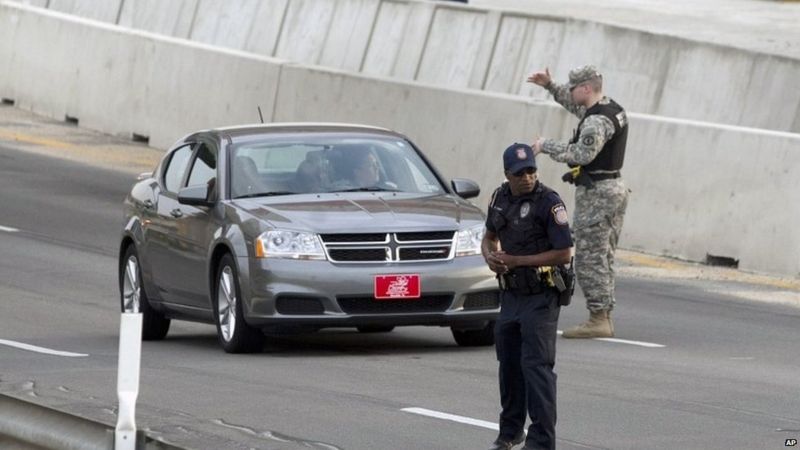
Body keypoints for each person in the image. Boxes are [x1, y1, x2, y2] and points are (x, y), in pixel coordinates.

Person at [527, 65, 630, 339]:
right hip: (612, 188)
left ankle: (599, 318)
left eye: (573, 88)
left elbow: (583, 154)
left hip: (598, 194)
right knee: (604, 255)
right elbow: (575, 106)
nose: (570, 92)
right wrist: (550, 85)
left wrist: (545, 146)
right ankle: (603, 313)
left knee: (589, 258)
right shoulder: (610, 109)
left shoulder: (597, 121)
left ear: (586, 88)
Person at [482, 143, 572, 450]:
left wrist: (518, 261)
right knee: (508, 365)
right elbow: (489, 237)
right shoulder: (499, 198)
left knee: (537, 368)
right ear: (507, 174)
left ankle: (542, 442)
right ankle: (510, 432)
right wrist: (489, 256)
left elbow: (564, 253)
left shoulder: (549, 202)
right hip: (511, 295)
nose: (527, 177)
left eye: (531, 170)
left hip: (541, 296)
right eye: (520, 173)